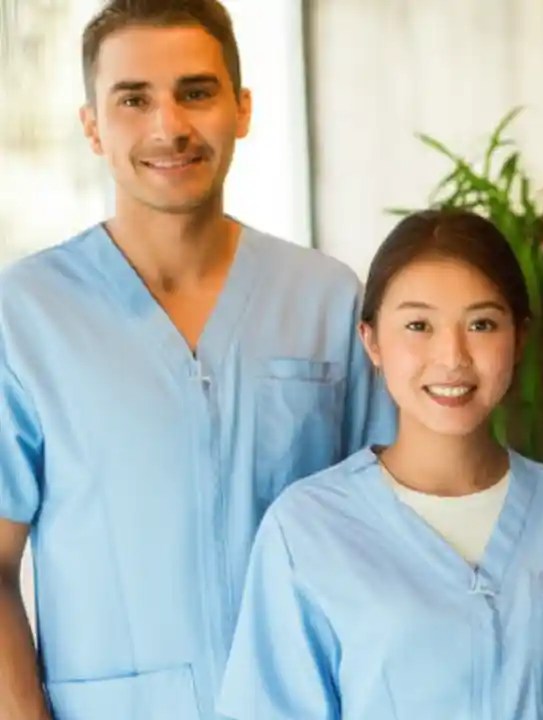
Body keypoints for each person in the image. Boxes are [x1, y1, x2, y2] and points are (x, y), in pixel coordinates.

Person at [0, 2, 390, 718]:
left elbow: (384, 533)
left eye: (196, 92)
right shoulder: (25, 313)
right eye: (133, 99)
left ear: (242, 109)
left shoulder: (325, 299)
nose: (168, 126)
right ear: (91, 125)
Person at [218, 208, 543, 719]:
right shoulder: (307, 529)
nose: (453, 357)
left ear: (519, 337)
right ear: (371, 340)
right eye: (418, 325)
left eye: (482, 324)